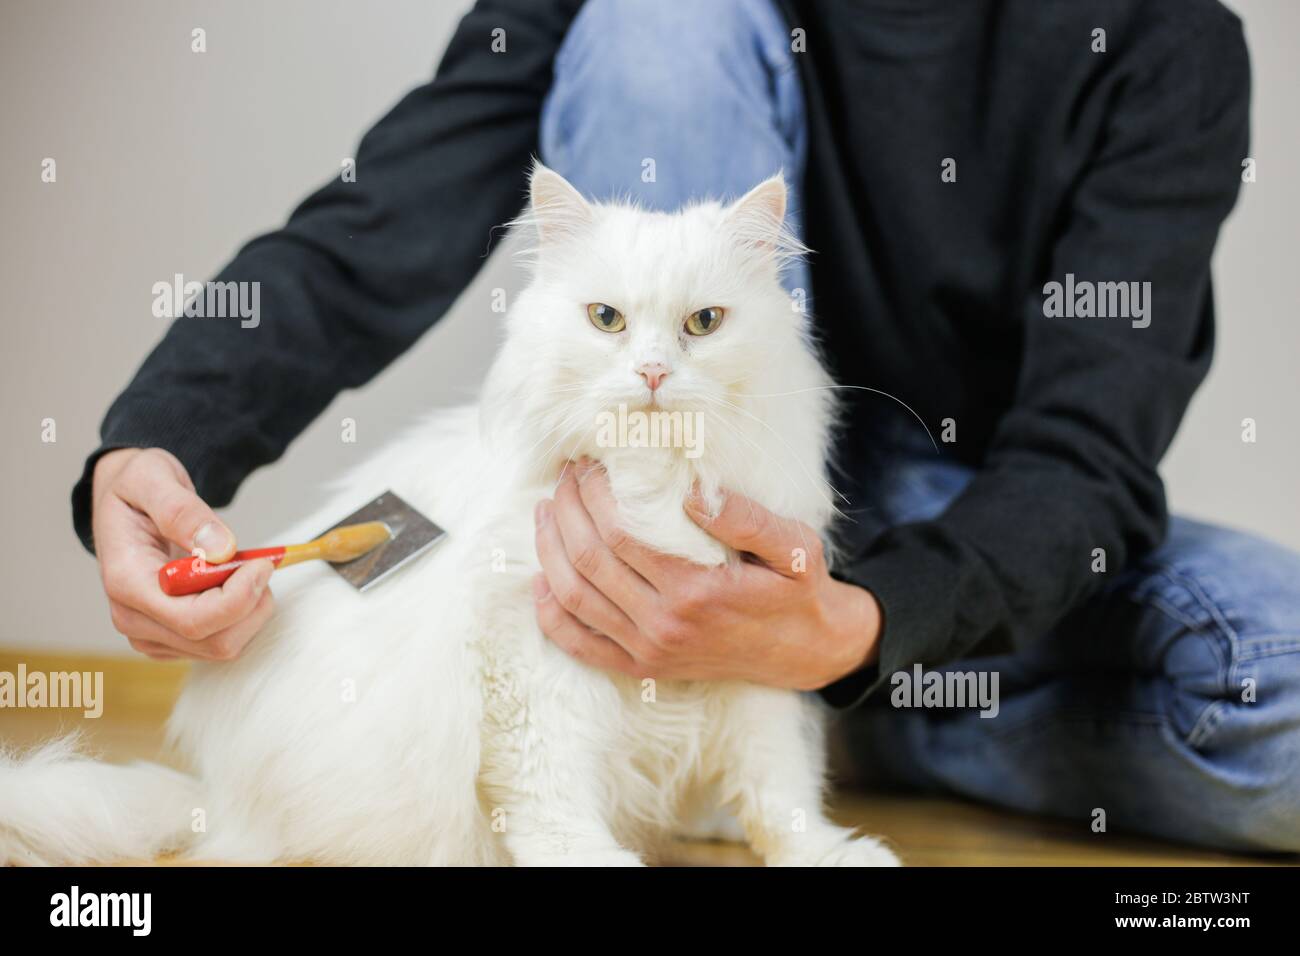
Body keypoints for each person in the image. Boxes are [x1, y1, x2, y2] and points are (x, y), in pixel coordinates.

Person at [74, 0, 1300, 853]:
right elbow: (386, 215)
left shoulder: (1168, 41)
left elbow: (1086, 454)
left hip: (968, 530)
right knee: (657, 15)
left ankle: (802, 710)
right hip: (656, 496)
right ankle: (726, 692)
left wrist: (863, 624)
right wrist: (159, 439)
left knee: (1281, 692)